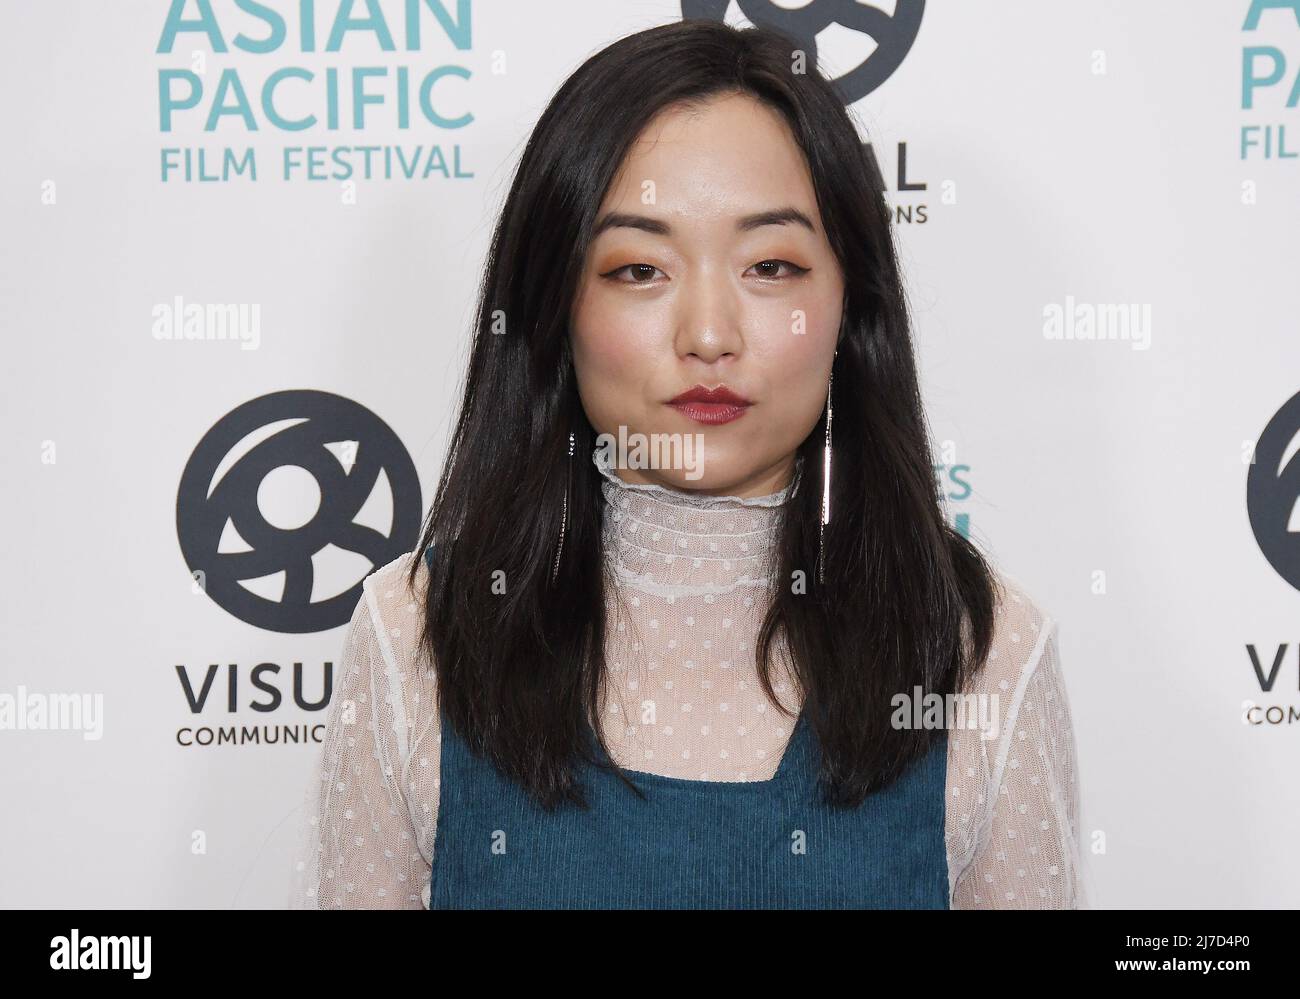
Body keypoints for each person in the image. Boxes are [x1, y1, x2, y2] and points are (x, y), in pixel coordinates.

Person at [290, 17, 1085, 909]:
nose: (709, 333)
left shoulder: (981, 651)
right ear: (554, 308)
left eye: (771, 265)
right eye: (639, 270)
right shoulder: (415, 638)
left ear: (849, 311)